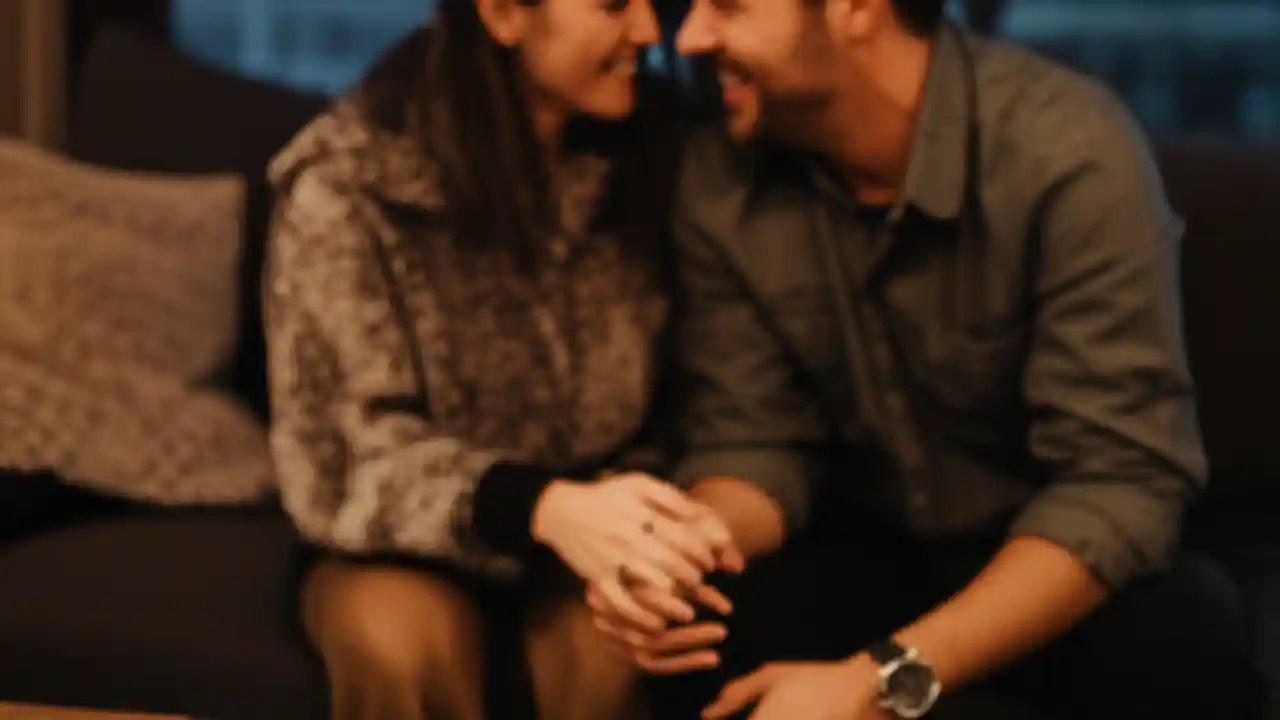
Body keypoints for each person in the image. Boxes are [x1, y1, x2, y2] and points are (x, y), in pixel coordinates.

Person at [588, 0, 1268, 718]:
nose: (690, 36)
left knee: (1180, 636)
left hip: (1050, 557)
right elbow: (754, 441)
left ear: (856, 10)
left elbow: (1119, 483)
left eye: (728, 6)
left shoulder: (1065, 149)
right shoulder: (722, 174)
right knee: (700, 626)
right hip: (870, 543)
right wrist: (679, 548)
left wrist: (879, 680)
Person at [263, 0, 746, 717]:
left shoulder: (660, 160)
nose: (649, 32)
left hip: (594, 533)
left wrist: (648, 524)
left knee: (621, 639)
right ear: (503, 14)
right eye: (613, 4)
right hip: (402, 543)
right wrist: (539, 506)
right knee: (401, 643)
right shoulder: (349, 185)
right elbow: (343, 459)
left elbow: (694, 404)